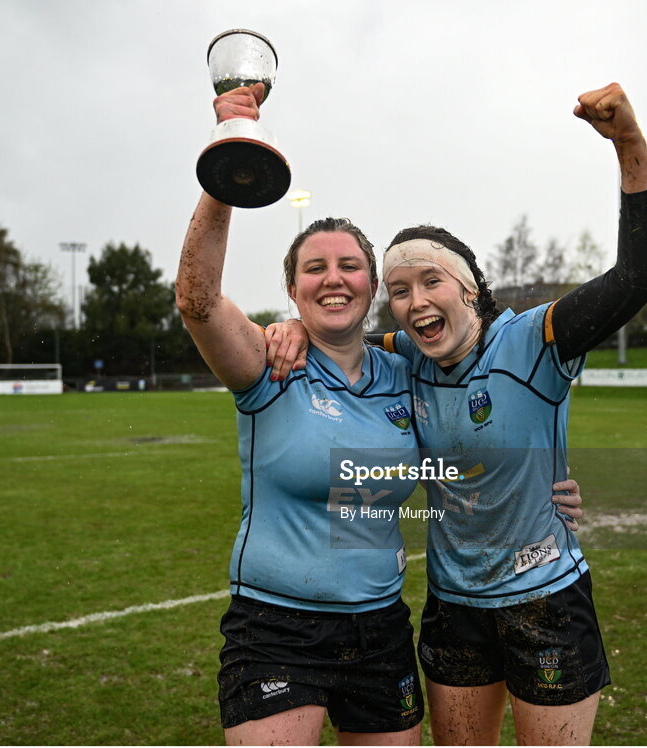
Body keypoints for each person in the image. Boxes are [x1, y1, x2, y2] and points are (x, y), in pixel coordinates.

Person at [178, 83, 585, 746]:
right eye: (314, 269)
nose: (332, 278)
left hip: (380, 630)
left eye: (348, 266)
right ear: (292, 289)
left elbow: (478, 423)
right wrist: (227, 164)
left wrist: (545, 489)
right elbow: (197, 301)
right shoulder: (268, 362)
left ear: (372, 287)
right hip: (277, 626)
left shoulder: (409, 369)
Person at [268, 82, 647, 745]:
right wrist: (293, 326)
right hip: (453, 609)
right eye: (397, 291)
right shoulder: (404, 355)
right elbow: (339, 336)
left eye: (429, 282)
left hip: (547, 602)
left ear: (469, 289)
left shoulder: (535, 339)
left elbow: (636, 278)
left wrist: (628, 144)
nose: (414, 301)